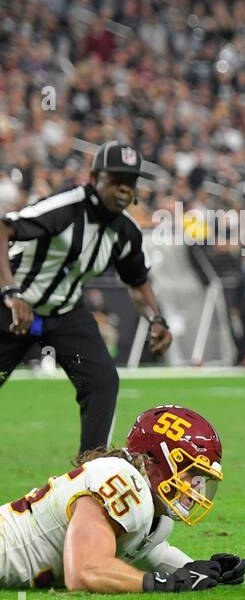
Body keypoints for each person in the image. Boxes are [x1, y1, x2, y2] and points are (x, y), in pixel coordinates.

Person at [0, 141, 173, 452]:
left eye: (130, 182)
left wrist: (156, 319)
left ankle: (91, 470)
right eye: (115, 179)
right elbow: (2, 230)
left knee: (102, 382)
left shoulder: (125, 232)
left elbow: (138, 281)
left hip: (64, 312)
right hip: (13, 307)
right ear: (95, 177)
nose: (123, 189)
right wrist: (11, 292)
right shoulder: (65, 208)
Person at [0, 405, 245, 593]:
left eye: (202, 478)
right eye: (191, 473)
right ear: (153, 463)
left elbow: (154, 557)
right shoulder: (122, 482)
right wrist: (162, 584)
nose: (197, 488)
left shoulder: (152, 513)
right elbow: (85, 571)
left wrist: (203, 570)